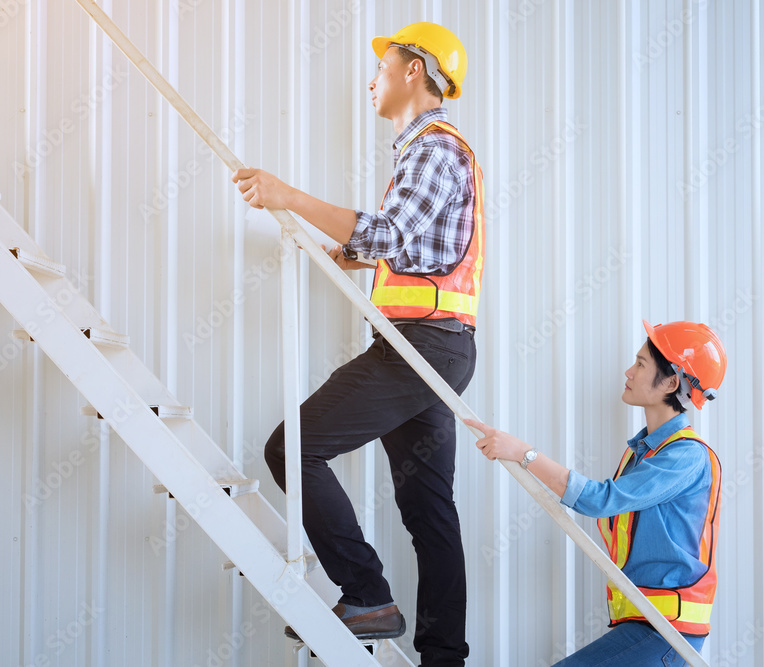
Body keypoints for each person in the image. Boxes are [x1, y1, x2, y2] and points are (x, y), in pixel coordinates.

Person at [232, 21, 480, 666]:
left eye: (383, 65)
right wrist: (347, 253)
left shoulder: (433, 149)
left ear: (413, 72)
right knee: (430, 513)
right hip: (438, 347)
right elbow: (409, 247)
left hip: (419, 349)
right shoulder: (426, 153)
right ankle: (444, 657)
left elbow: (390, 235)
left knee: (293, 447)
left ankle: (367, 594)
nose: (372, 79)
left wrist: (289, 196)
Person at [466, 320, 726, 666]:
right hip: (649, 625)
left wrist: (524, 454)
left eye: (641, 364)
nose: (628, 371)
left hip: (668, 632)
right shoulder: (643, 452)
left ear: (671, 382)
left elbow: (599, 500)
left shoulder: (686, 456)